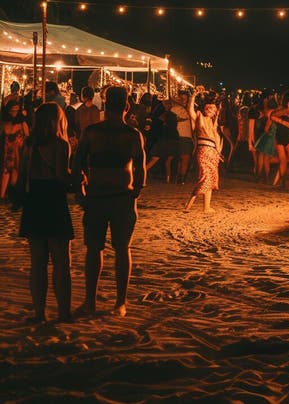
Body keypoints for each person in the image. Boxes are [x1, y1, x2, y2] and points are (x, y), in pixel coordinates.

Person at [73, 86, 146, 318]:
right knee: (122, 249)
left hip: (96, 195)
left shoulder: (92, 132)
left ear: (105, 105)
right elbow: (141, 168)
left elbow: (77, 163)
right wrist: (135, 193)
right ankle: (119, 302)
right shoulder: (132, 134)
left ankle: (90, 301)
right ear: (126, 106)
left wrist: (80, 191)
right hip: (121, 196)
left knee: (94, 249)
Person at [18, 103, 73, 322]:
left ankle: (39, 312)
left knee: (37, 262)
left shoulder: (29, 144)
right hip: (53, 199)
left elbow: (22, 177)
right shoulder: (60, 144)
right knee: (61, 261)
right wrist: (77, 177)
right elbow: (61, 176)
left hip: (34, 200)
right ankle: (63, 312)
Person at [184, 88, 222, 213]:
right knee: (205, 177)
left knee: (210, 178)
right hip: (203, 150)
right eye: (209, 108)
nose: (211, 111)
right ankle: (190, 203)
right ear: (205, 108)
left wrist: (218, 152)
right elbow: (190, 110)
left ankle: (206, 207)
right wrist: (193, 96)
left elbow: (216, 137)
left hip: (213, 152)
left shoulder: (213, 122)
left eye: (213, 109)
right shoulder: (199, 117)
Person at [145, 97, 179, 182]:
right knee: (168, 160)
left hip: (165, 139)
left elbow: (157, 123)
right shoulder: (171, 115)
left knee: (156, 159)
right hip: (172, 139)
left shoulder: (164, 115)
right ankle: (168, 178)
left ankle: (142, 173)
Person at [1, 99, 30, 200]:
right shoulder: (5, 123)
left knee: (15, 171)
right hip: (8, 151)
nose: (14, 112)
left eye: (16, 110)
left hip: (18, 151)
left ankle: (13, 194)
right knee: (7, 171)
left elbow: (27, 136)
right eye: (12, 110)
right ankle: (3, 195)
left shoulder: (22, 123)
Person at [171, 92, 194, 184]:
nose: (184, 101)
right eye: (182, 99)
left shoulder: (188, 109)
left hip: (187, 136)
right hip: (181, 135)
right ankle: (181, 178)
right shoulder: (175, 109)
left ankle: (179, 176)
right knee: (185, 158)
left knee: (182, 158)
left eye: (185, 99)